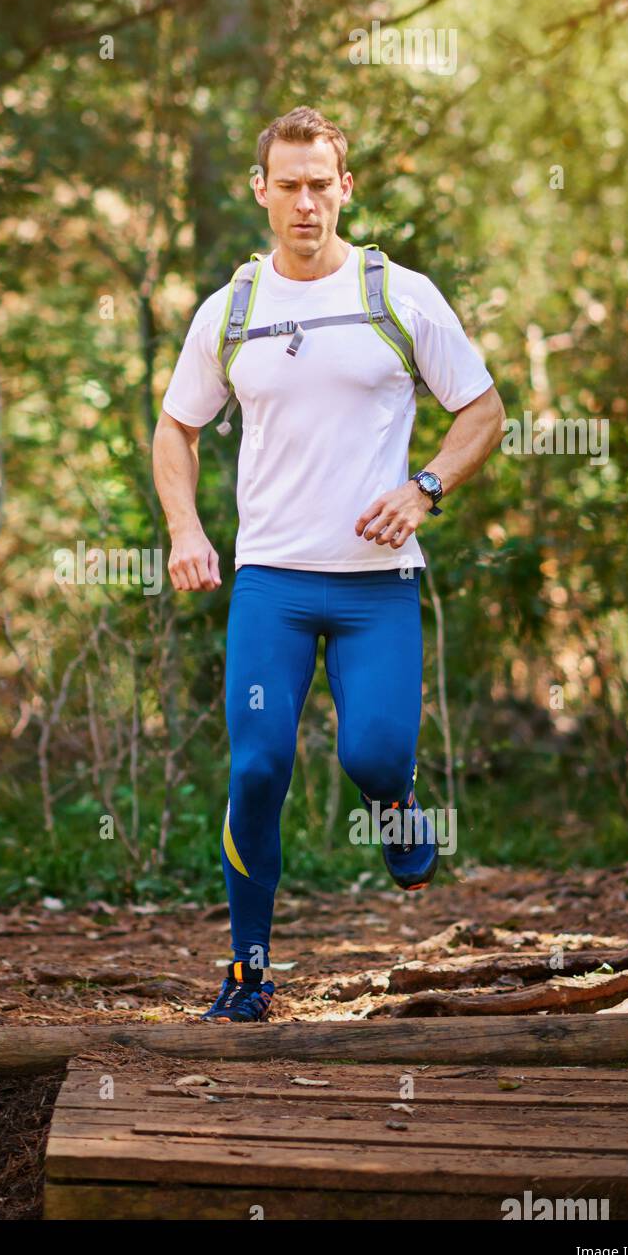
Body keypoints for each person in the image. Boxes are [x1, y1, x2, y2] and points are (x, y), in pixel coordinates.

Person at [152, 106, 504, 1023]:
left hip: (375, 584)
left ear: (346, 188)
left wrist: (426, 487)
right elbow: (176, 428)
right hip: (271, 583)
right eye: (289, 185)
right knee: (258, 770)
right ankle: (247, 972)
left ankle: (398, 801)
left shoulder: (399, 296)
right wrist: (187, 529)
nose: (306, 202)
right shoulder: (232, 310)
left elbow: (483, 410)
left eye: (322, 184)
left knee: (375, 752)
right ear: (261, 191)